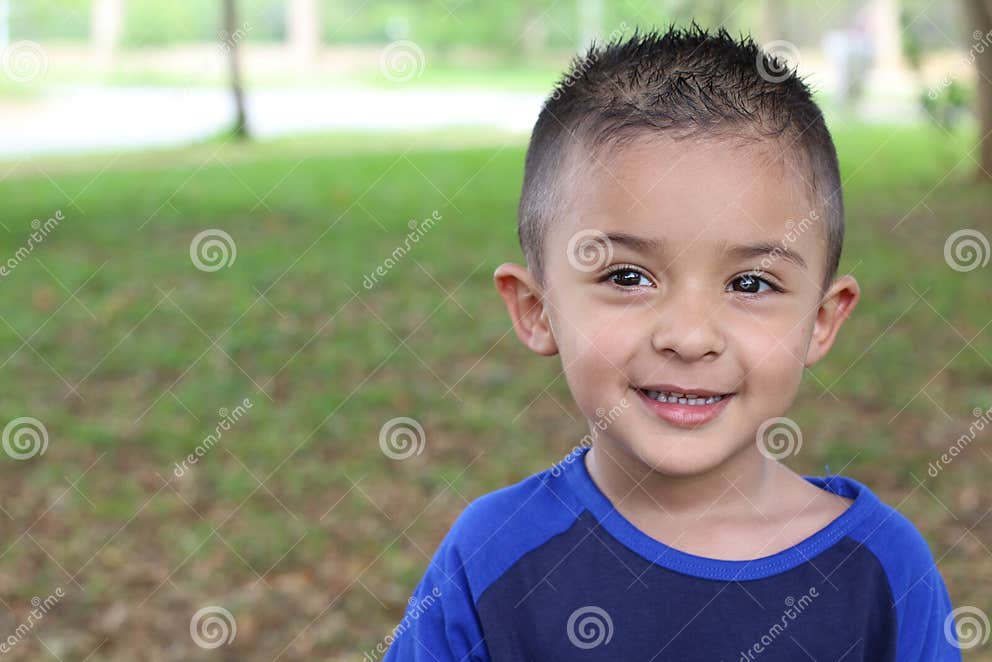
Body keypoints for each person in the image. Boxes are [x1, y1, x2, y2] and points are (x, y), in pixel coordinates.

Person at [381, 23, 961, 661]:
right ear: (536, 308)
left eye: (750, 282)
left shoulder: (880, 570)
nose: (689, 337)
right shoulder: (493, 558)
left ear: (821, 321)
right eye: (626, 276)